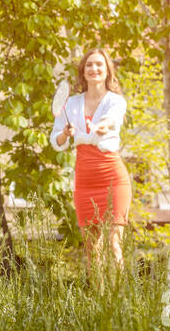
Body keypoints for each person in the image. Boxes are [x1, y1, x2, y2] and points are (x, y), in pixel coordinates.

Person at [50, 48, 131, 275]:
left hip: (112, 176)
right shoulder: (72, 104)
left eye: (99, 65)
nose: (94, 69)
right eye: (89, 65)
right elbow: (56, 140)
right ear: (83, 72)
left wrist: (99, 128)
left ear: (107, 71)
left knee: (115, 244)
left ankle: (118, 304)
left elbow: (108, 122)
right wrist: (66, 133)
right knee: (91, 249)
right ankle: (100, 305)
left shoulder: (116, 101)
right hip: (84, 180)